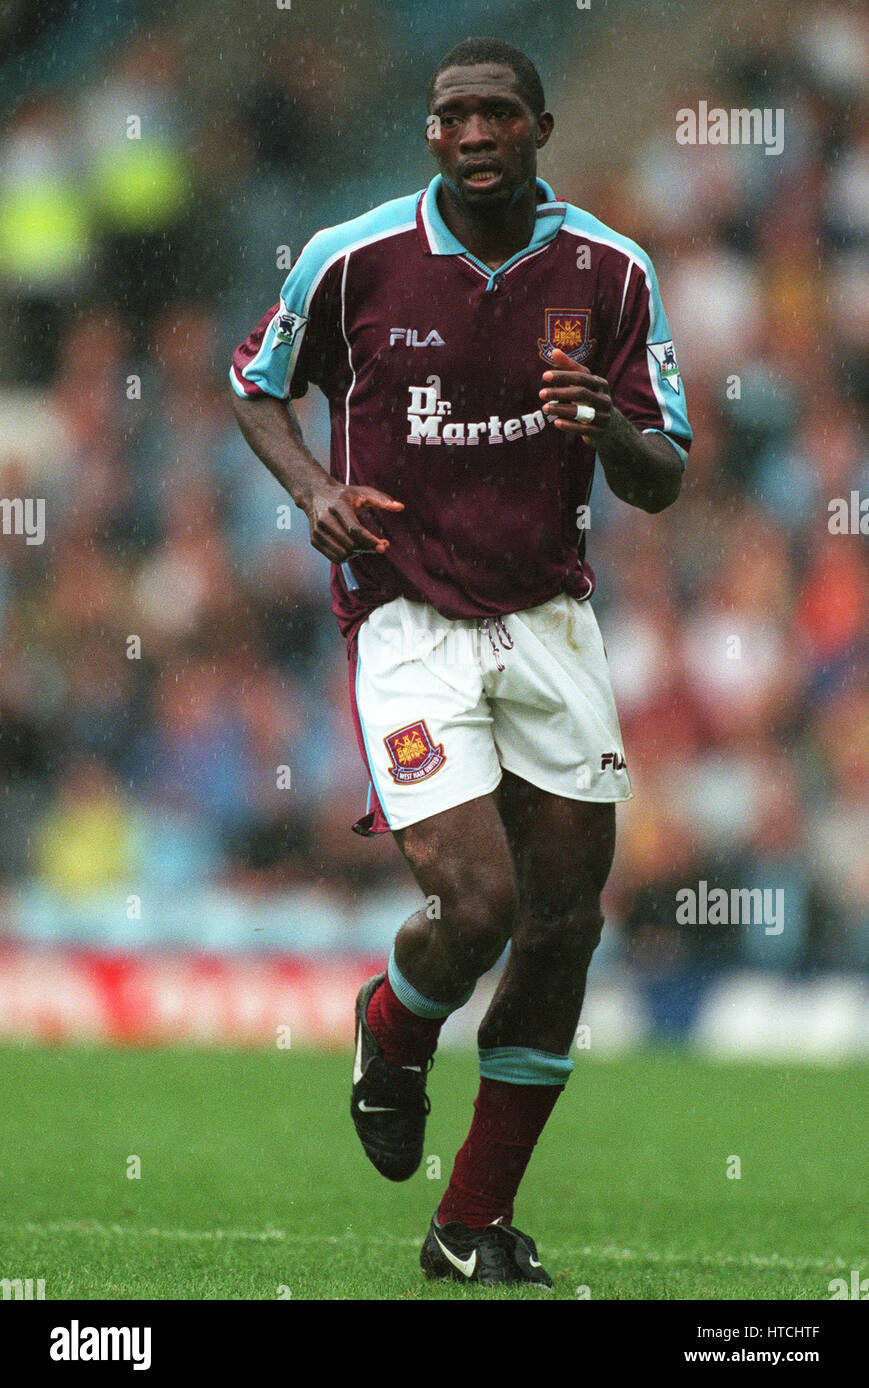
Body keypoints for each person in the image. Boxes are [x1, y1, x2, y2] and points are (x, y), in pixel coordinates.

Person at [230, 36, 691, 1288]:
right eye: (451, 118)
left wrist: (603, 421)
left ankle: (468, 1223)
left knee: (561, 925)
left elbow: (665, 473)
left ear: (539, 130)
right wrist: (315, 488)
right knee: (476, 905)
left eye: (497, 115)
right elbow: (254, 385)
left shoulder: (609, 269)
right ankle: (394, 1022)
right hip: (406, 620)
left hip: (547, 621)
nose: (473, 134)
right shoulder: (351, 258)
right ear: (428, 134)